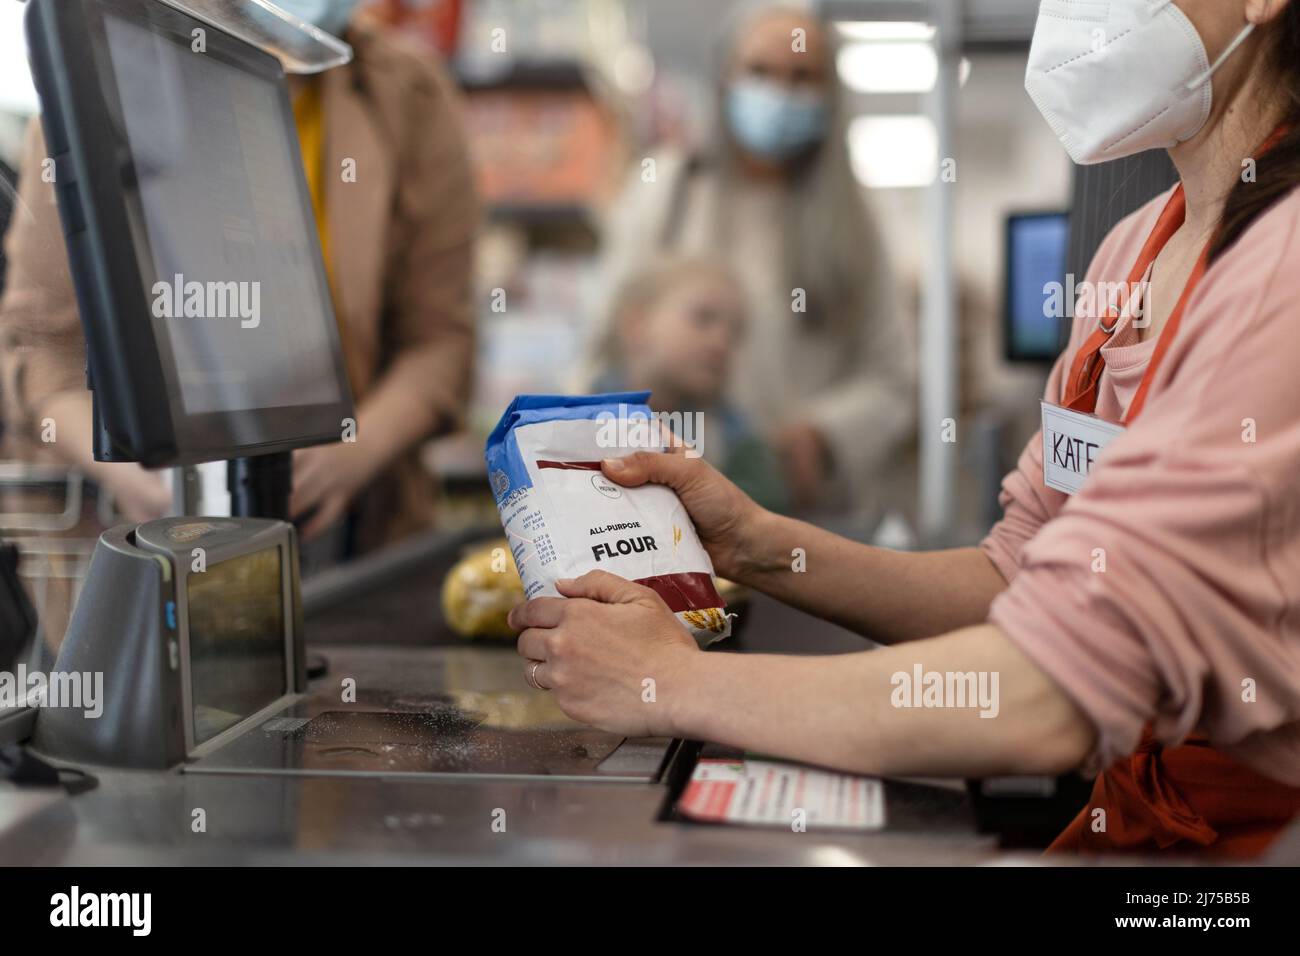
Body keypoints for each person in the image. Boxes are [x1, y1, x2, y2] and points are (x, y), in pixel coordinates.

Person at [509, 0, 1300, 857]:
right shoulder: (1133, 251)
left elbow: (1046, 693)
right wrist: (755, 543)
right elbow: (1019, 576)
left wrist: (669, 681)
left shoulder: (1282, 269)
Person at [0, 0, 479, 551]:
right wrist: (135, 471)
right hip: (132, 536)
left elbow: (440, 339)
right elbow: (39, 355)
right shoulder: (99, 71)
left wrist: (355, 450)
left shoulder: (407, 92)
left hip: (349, 531)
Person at [588, 0, 914, 515]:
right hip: (662, 506)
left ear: (828, 96)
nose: (779, 92)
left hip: (800, 515)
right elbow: (605, 337)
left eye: (801, 76)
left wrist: (823, 433)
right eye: (759, 71)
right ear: (724, 79)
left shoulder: (856, 221)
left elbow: (894, 378)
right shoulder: (667, 190)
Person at [596, 256, 788, 512]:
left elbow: (763, 514)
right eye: (703, 319)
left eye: (735, 332)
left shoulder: (737, 441)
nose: (722, 342)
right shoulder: (578, 416)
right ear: (636, 325)